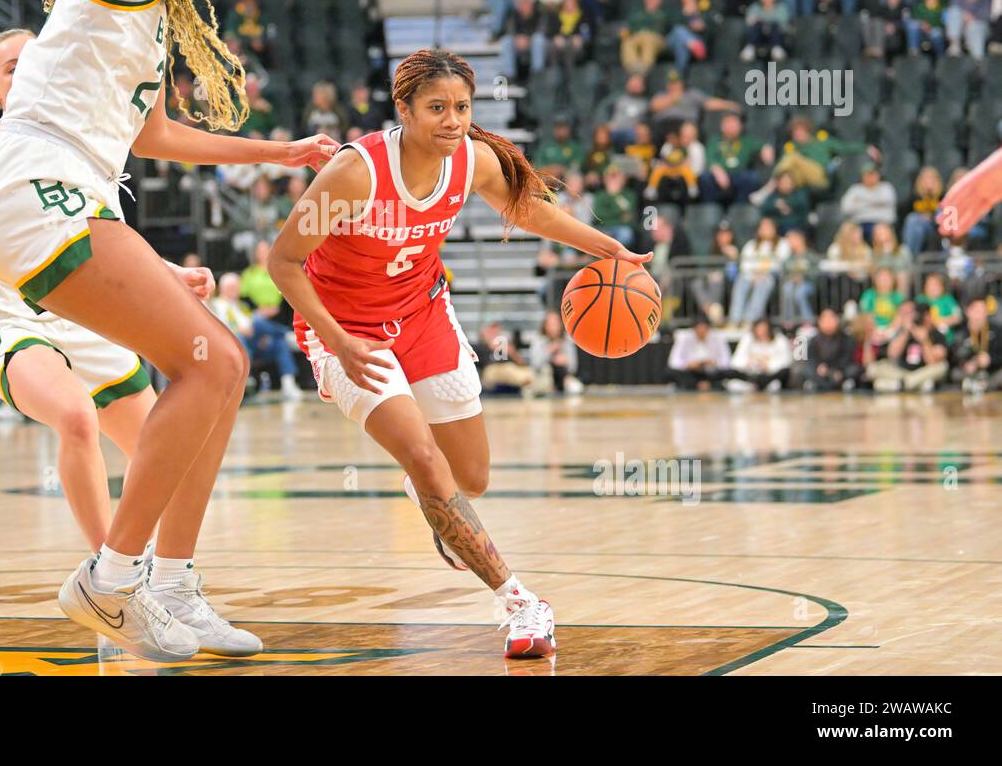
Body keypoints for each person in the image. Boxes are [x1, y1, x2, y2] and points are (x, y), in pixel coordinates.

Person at [0, 0, 339, 664]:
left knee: (222, 366)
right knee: (208, 363)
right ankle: (112, 578)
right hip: (33, 185)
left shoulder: (142, 25)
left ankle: (171, 583)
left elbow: (160, 135)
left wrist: (277, 154)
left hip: (60, 195)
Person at [267, 47, 653, 659]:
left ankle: (430, 490)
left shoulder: (471, 161)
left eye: (463, 108)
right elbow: (282, 262)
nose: (452, 120)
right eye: (437, 108)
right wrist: (336, 340)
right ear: (404, 109)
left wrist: (610, 250)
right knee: (423, 455)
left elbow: (528, 209)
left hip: (423, 314)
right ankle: (521, 601)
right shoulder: (353, 173)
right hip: (349, 332)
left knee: (469, 477)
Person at [0, 28, 279, 657]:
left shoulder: (79, 148)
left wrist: (169, 274)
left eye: (35, 58)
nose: (26, 69)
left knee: (166, 456)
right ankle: (113, 597)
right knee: (77, 418)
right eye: (11, 65)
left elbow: (107, 243)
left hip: (84, 317)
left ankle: (168, 587)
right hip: (11, 320)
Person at [209, 272, 301, 399]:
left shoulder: (243, 306)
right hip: (234, 342)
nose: (234, 290)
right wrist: (239, 330)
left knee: (279, 343)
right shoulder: (217, 305)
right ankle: (288, 335)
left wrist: (260, 335)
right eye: (231, 287)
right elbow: (218, 327)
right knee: (256, 320)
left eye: (236, 287)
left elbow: (251, 326)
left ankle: (289, 384)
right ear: (222, 288)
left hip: (254, 342)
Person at [866, 301, 948, 393]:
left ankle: (903, 384)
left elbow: (932, 362)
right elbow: (892, 354)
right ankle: (911, 383)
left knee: (942, 366)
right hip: (901, 372)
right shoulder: (903, 331)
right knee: (873, 368)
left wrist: (925, 341)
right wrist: (906, 332)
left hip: (922, 371)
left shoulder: (937, 335)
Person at [795, 307, 859, 391]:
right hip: (820, 372)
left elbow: (847, 357)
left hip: (839, 371)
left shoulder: (846, 338)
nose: (828, 322)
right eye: (825, 319)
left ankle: (842, 383)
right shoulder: (814, 340)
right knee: (803, 369)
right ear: (820, 322)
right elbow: (811, 358)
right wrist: (819, 367)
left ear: (837, 320)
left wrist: (834, 368)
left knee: (855, 369)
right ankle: (817, 384)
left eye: (831, 319)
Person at [666, 313, 732, 391]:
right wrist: (688, 365)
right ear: (694, 329)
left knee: (730, 373)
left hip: (711, 373)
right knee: (669, 373)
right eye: (699, 329)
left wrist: (715, 363)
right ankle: (699, 385)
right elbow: (673, 361)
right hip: (691, 373)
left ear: (708, 328)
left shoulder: (718, 337)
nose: (701, 332)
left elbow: (727, 361)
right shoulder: (683, 337)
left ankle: (708, 384)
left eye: (704, 329)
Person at [727, 319, 792, 391]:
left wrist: (768, 365)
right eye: (759, 329)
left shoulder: (780, 340)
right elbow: (735, 361)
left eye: (765, 329)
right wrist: (748, 362)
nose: (762, 332)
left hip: (770, 377)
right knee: (734, 385)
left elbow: (787, 362)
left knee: (774, 386)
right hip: (749, 376)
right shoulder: (748, 338)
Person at [952, 299, 1002, 393]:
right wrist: (966, 364)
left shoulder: (997, 330)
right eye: (977, 311)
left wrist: (990, 359)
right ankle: (979, 385)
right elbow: (953, 356)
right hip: (968, 372)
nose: (981, 315)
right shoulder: (960, 333)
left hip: (991, 372)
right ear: (968, 311)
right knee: (955, 373)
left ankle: (983, 385)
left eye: (984, 311)